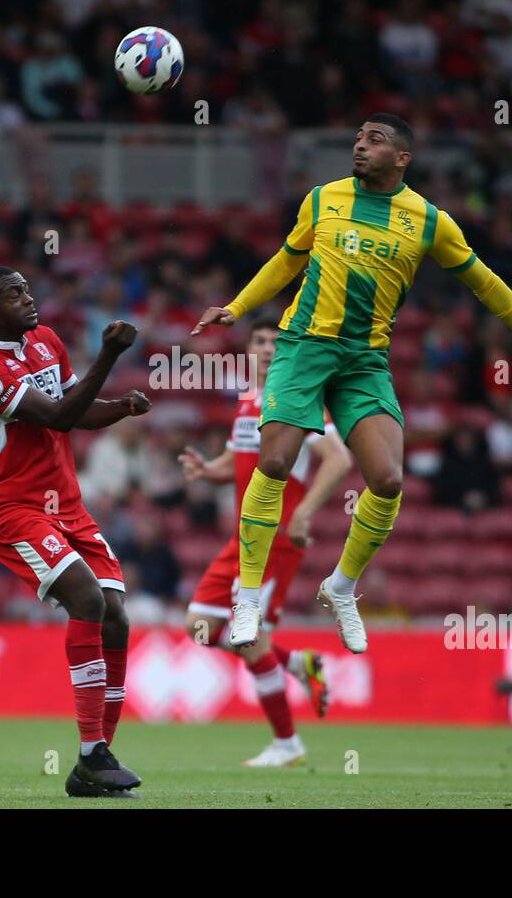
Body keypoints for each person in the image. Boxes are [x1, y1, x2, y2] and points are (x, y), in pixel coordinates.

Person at [193, 114, 512, 651]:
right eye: (357, 137)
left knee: (389, 480)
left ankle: (341, 587)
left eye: (374, 140)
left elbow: (486, 284)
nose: (360, 145)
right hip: (304, 346)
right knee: (275, 463)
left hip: (364, 361)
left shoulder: (428, 221)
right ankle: (248, 599)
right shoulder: (322, 199)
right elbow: (287, 262)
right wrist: (237, 308)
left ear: (402, 157)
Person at [0, 266, 150, 798]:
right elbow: (59, 417)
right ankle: (92, 753)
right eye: (13, 295)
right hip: (13, 509)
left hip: (67, 506)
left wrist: (119, 409)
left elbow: (79, 412)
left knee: (117, 618)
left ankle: (97, 762)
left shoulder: (46, 342)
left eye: (27, 289)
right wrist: (109, 356)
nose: (29, 299)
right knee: (87, 599)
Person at [178, 318, 352, 766]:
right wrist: (208, 469)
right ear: (248, 350)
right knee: (200, 625)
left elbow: (337, 459)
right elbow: (237, 460)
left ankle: (287, 744)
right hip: (243, 537)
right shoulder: (246, 400)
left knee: (246, 636)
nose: (268, 349)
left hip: (273, 539)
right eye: (259, 341)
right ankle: (297, 665)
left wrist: (303, 513)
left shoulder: (298, 398)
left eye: (278, 342)